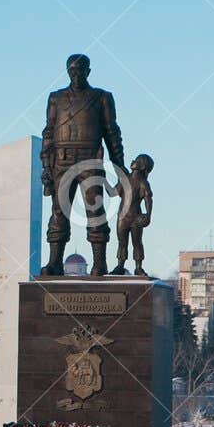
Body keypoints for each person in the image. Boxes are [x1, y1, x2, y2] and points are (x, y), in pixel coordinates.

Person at [40, 53, 128, 276]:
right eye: (72, 71)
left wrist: (119, 166)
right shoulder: (55, 98)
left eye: (80, 70)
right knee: (59, 212)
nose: (76, 75)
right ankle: (55, 262)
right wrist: (46, 165)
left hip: (90, 158)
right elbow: (49, 133)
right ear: (67, 72)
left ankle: (100, 264)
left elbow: (112, 133)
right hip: (61, 160)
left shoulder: (101, 98)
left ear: (89, 71)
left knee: (95, 210)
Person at [112, 154, 153, 276]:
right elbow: (112, 192)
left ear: (142, 166)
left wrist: (148, 215)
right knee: (121, 242)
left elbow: (148, 199)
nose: (134, 161)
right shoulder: (125, 180)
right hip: (122, 218)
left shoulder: (143, 182)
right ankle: (120, 265)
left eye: (137, 160)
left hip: (136, 218)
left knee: (137, 242)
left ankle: (138, 267)